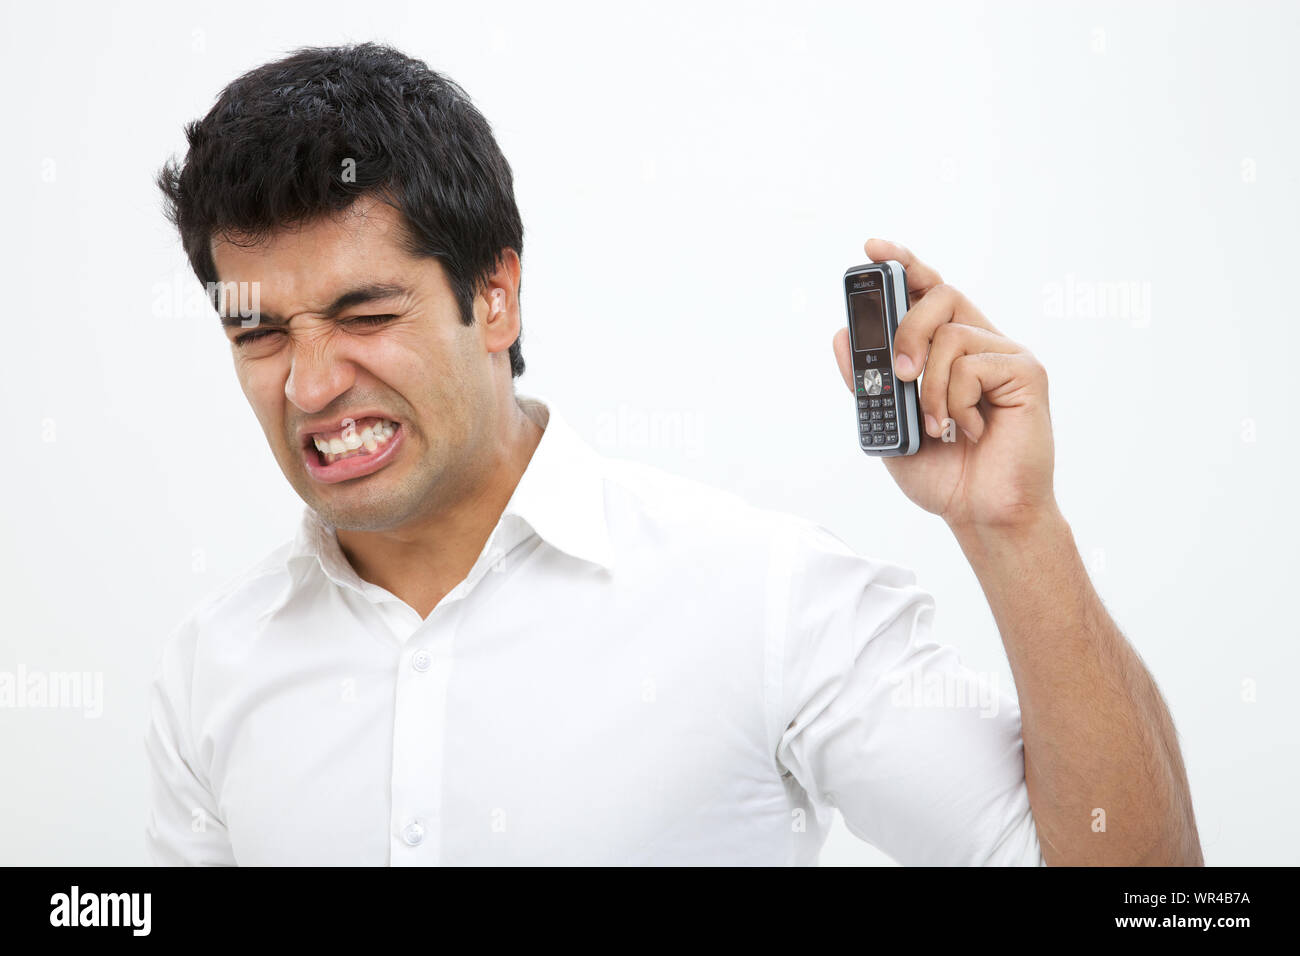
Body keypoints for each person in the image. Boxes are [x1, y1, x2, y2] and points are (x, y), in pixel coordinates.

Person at [146, 41, 1201, 866]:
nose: (310, 382)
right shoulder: (214, 663)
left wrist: (1014, 526)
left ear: (497, 295)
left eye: (364, 311)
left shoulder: (765, 597)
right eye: (259, 331)